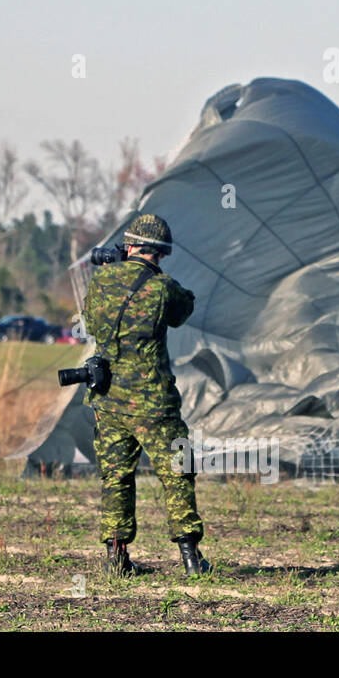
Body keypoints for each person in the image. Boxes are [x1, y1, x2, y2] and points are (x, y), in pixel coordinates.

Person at [82, 213, 210, 578]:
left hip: (108, 399)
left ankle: (117, 560)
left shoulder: (103, 280)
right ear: (161, 252)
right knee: (177, 471)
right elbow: (182, 311)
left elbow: (91, 323)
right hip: (153, 402)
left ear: (130, 245)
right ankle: (191, 559)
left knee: (116, 477)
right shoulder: (163, 286)